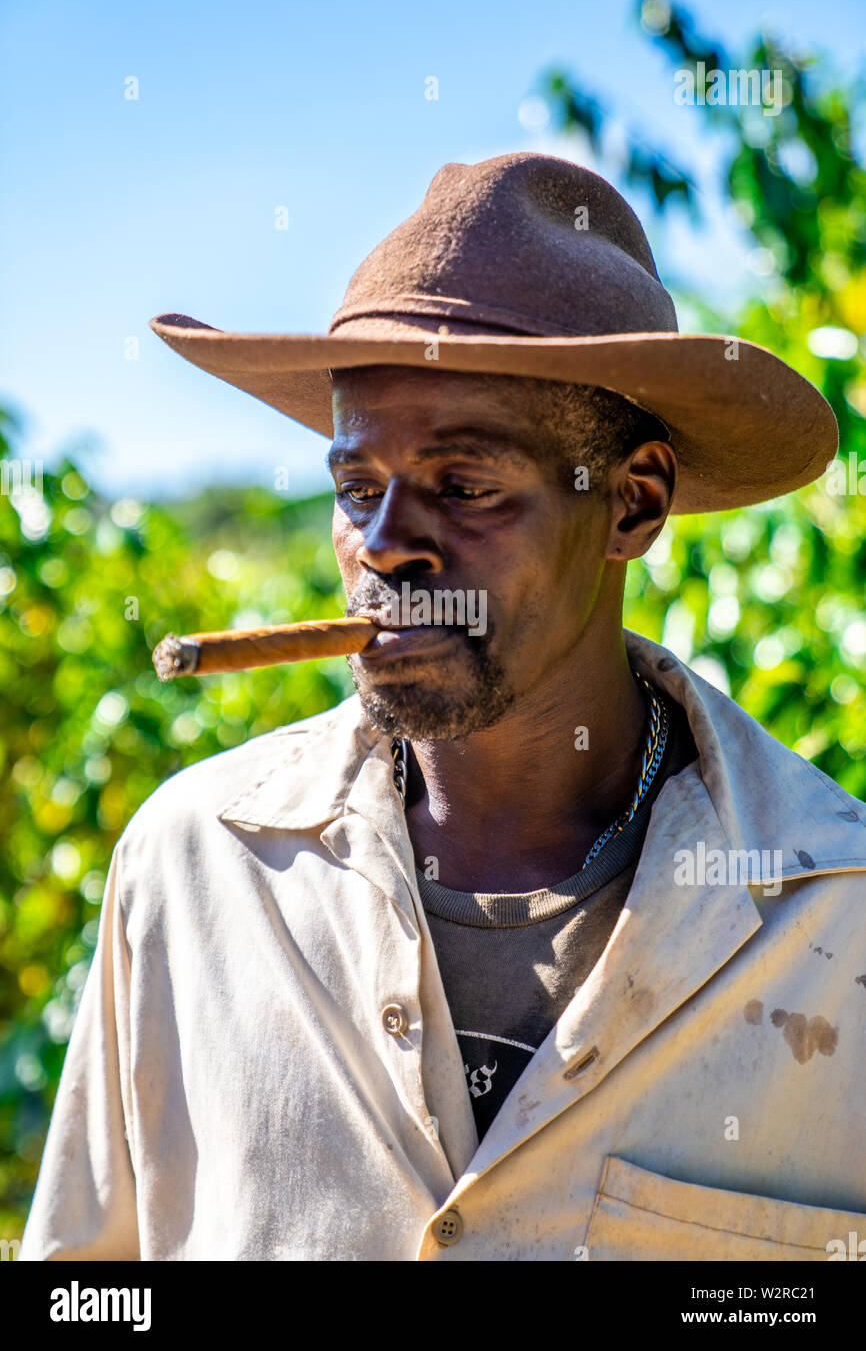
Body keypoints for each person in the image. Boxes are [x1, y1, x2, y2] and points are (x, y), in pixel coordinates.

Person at [21, 152, 866, 1262]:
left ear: (632, 502)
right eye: (355, 488)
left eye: (463, 487)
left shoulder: (835, 914)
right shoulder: (189, 868)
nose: (383, 547)